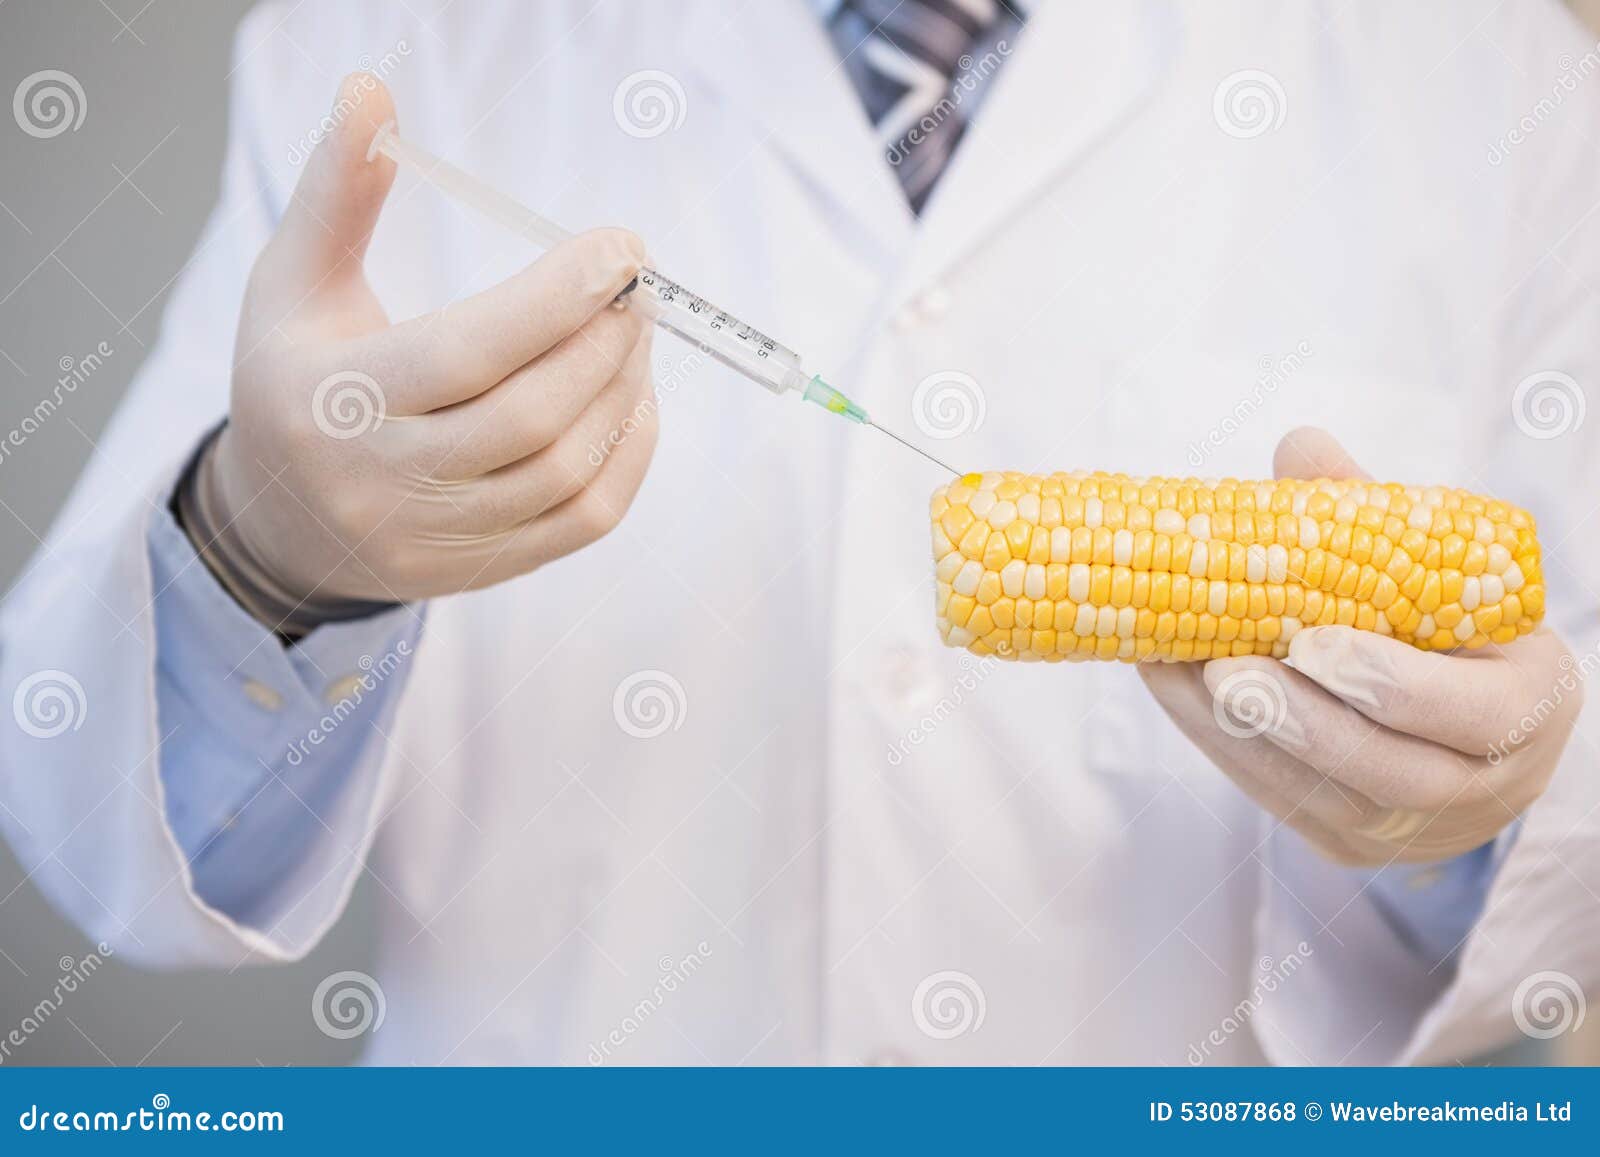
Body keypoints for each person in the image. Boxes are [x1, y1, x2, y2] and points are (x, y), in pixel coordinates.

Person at [1, 0, 1596, 1065]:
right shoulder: (392, 46)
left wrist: (1482, 816)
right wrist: (265, 555)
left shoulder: (1499, 72)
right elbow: (87, 807)